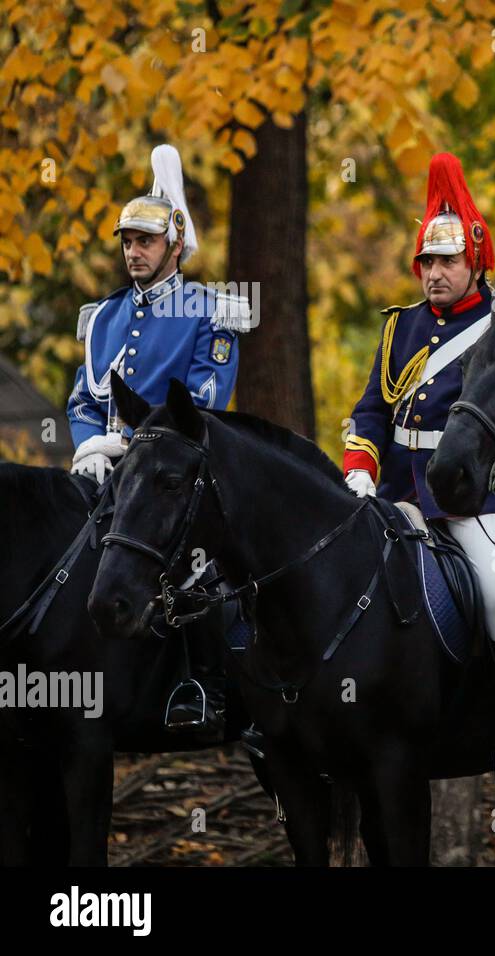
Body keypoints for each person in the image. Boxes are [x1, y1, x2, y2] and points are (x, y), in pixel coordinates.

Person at [342, 152, 495, 782]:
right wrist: (359, 470)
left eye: (447, 261)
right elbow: (372, 410)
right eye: (426, 261)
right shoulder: (398, 327)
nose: (433, 272)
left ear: (474, 262)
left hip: (473, 498)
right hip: (397, 492)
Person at [68, 144, 255, 738]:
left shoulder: (210, 312)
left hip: (177, 471)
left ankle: (206, 689)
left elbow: (201, 405)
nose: (132, 252)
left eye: (144, 242)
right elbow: (82, 401)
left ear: (175, 246)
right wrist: (89, 447)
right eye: (127, 242)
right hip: (103, 470)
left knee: (199, 573)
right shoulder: (104, 318)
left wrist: (128, 450)